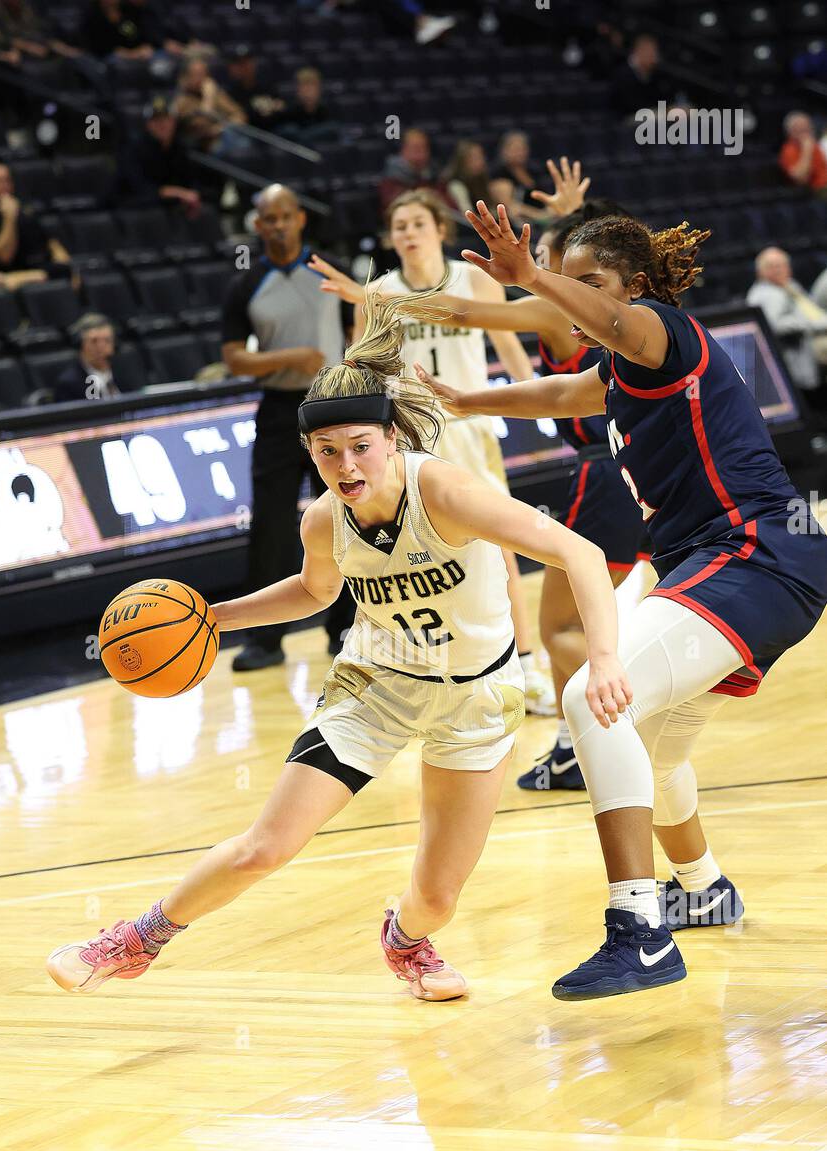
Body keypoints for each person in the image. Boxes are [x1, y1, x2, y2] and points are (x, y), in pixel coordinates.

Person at [46, 283, 627, 1001]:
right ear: (310, 453)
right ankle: (134, 940)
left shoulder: (445, 492)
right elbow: (316, 592)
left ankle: (406, 940)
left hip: (477, 695)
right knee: (268, 846)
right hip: (375, 687)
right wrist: (214, 618)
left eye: (360, 447)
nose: (347, 467)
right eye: (328, 453)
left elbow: (582, 555)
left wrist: (603, 660)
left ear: (392, 438)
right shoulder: (324, 520)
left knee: (438, 898)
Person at [418, 200, 827, 999]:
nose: (573, 300)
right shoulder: (621, 370)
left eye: (589, 284)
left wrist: (533, 275)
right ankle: (702, 886)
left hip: (752, 554)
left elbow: (608, 325)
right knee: (656, 750)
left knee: (593, 699)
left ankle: (639, 933)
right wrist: (467, 403)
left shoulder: (659, 331)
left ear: (633, 288)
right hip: (731, 568)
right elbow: (569, 393)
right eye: (566, 286)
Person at [309, 186, 555, 715]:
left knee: (499, 545)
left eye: (419, 224)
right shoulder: (377, 292)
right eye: (400, 227)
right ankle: (404, 665)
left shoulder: (473, 279)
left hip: (466, 426)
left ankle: (526, 664)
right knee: (404, 553)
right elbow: (361, 367)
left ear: (440, 230)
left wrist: (537, 400)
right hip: (405, 437)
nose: (409, 234)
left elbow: (509, 341)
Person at [220, 183, 356, 670]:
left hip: (333, 404)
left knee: (345, 513)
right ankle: (265, 640)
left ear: (300, 218)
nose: (277, 225)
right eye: (267, 219)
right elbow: (233, 357)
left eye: (284, 216)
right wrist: (289, 357)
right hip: (279, 410)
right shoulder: (245, 283)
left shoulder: (328, 268)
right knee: (272, 525)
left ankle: (346, 629)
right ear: (257, 226)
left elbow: (357, 325)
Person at [746, 246, 827, 416]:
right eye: (774, 266)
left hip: (811, 356)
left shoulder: (789, 285)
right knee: (812, 408)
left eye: (783, 265)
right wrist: (814, 324)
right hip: (793, 361)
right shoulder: (766, 294)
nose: (780, 270)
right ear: (761, 271)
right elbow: (775, 325)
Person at [0, 163, 73, 290]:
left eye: (6, 180)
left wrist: (64, 261)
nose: (2, 186)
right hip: (10, 270)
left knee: (68, 271)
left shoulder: (24, 208)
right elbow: (3, 257)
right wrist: (9, 218)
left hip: (40, 266)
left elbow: (49, 240)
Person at [118, 96, 205, 213]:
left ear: (174, 122)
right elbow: (140, 187)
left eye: (166, 119)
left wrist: (192, 193)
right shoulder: (134, 150)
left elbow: (191, 179)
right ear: (148, 125)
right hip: (131, 207)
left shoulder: (180, 147)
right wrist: (178, 193)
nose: (162, 125)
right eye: (156, 120)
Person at [172, 54, 250, 160]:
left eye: (204, 74)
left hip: (227, 135)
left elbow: (240, 114)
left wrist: (221, 128)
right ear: (186, 78)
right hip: (205, 147)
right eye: (196, 74)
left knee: (245, 144)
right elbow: (202, 124)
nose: (202, 78)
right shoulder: (182, 101)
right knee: (240, 147)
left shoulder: (216, 93)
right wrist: (208, 98)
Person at [378, 127, 455, 217]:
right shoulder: (391, 179)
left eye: (424, 148)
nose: (421, 153)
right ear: (403, 150)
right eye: (415, 148)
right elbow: (395, 209)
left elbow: (450, 208)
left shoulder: (435, 174)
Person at [52, 314, 131, 402]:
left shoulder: (125, 373)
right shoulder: (68, 384)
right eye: (94, 341)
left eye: (107, 340)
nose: (101, 347)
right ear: (80, 344)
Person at [221, 44, 285, 129]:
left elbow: (281, 106)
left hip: (274, 130)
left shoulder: (267, 84)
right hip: (247, 133)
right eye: (240, 64)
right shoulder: (229, 92)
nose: (244, 67)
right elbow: (239, 117)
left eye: (247, 62)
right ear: (232, 68)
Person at [275, 66, 337, 146]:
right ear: (297, 89)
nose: (308, 90)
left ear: (319, 88)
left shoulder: (328, 112)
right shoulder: (287, 113)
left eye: (312, 85)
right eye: (304, 85)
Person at [610, 33, 666, 120]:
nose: (655, 58)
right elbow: (629, 105)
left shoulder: (654, 74)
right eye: (651, 53)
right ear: (640, 51)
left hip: (648, 114)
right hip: (625, 119)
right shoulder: (623, 74)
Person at [778, 112, 827, 196]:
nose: (806, 131)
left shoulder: (816, 144)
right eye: (800, 128)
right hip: (817, 190)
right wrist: (807, 150)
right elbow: (801, 178)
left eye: (807, 127)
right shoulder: (789, 150)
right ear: (790, 131)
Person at [442, 140, 495, 218]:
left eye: (481, 156)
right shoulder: (456, 185)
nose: (481, 160)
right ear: (463, 161)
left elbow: (491, 209)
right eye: (475, 157)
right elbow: (468, 216)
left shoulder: (482, 179)